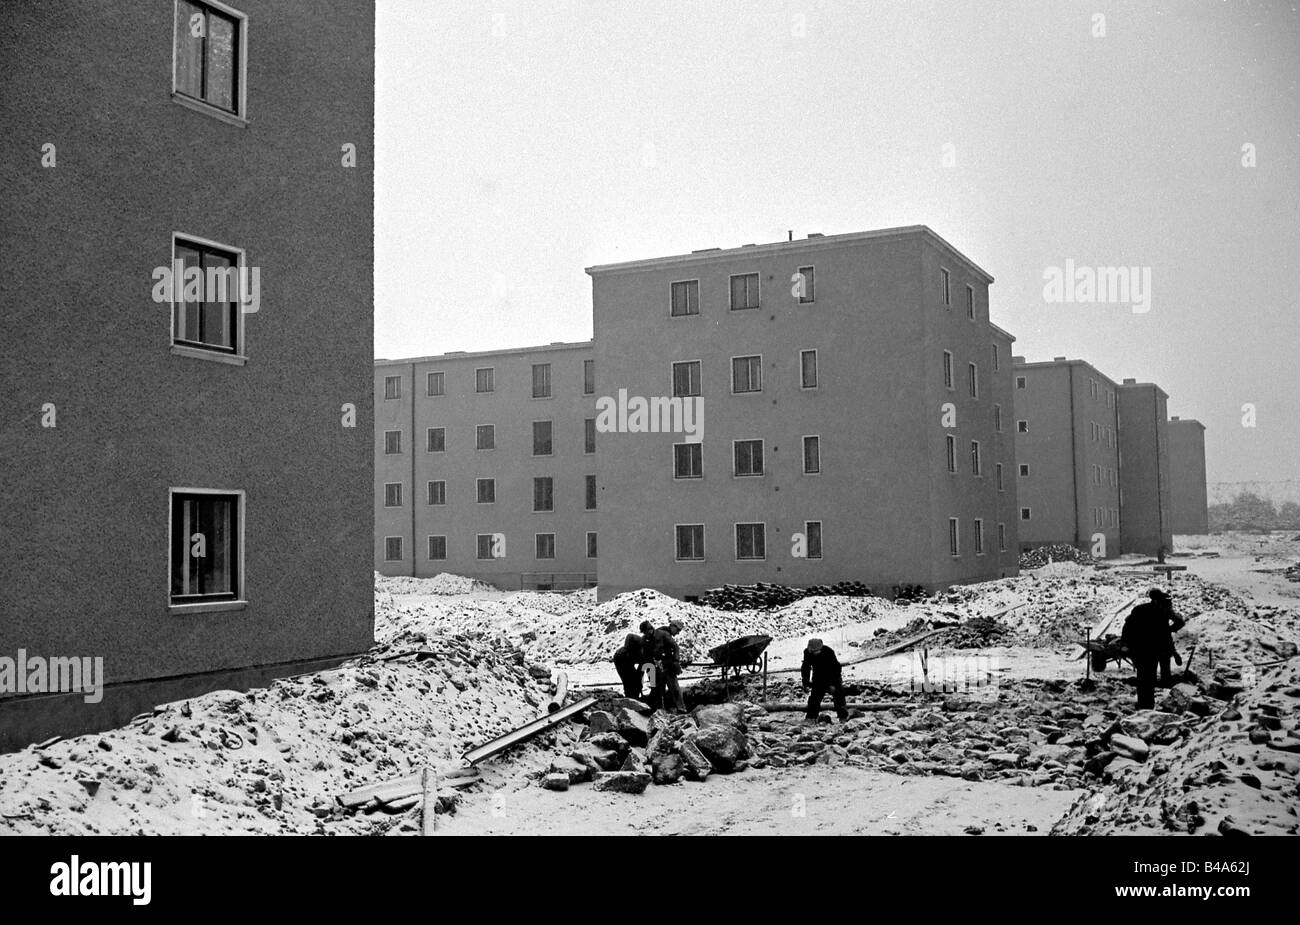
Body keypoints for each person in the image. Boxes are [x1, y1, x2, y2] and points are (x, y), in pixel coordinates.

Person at [1121, 588, 1184, 709]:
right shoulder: (1165, 610)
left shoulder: (1139, 609)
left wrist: (1126, 643)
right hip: (1160, 646)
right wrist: (1169, 630)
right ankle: (1164, 702)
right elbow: (1180, 622)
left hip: (1143, 648)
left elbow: (1127, 626)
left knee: (1145, 678)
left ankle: (1145, 706)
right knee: (1163, 672)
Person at [802, 637, 848, 722]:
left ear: (821, 648)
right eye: (813, 651)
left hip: (832, 675)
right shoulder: (807, 653)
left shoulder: (828, 652)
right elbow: (806, 668)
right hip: (818, 676)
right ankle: (811, 717)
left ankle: (843, 716)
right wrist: (805, 683)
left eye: (816, 651)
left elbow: (836, 669)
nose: (815, 653)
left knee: (839, 695)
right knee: (815, 697)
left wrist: (832, 684)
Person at [650, 620, 686, 713]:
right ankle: (680, 708)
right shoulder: (665, 634)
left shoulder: (659, 632)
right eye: (677, 630)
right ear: (673, 626)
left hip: (659, 665)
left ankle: (660, 710)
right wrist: (676, 661)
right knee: (674, 688)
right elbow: (675, 647)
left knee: (659, 689)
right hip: (666, 666)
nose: (678, 633)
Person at [612, 622, 653, 698]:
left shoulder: (644, 656)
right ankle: (631, 698)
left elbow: (642, 671)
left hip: (628, 659)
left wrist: (640, 683)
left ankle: (633, 696)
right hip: (620, 659)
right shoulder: (635, 645)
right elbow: (629, 636)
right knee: (629, 682)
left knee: (634, 681)